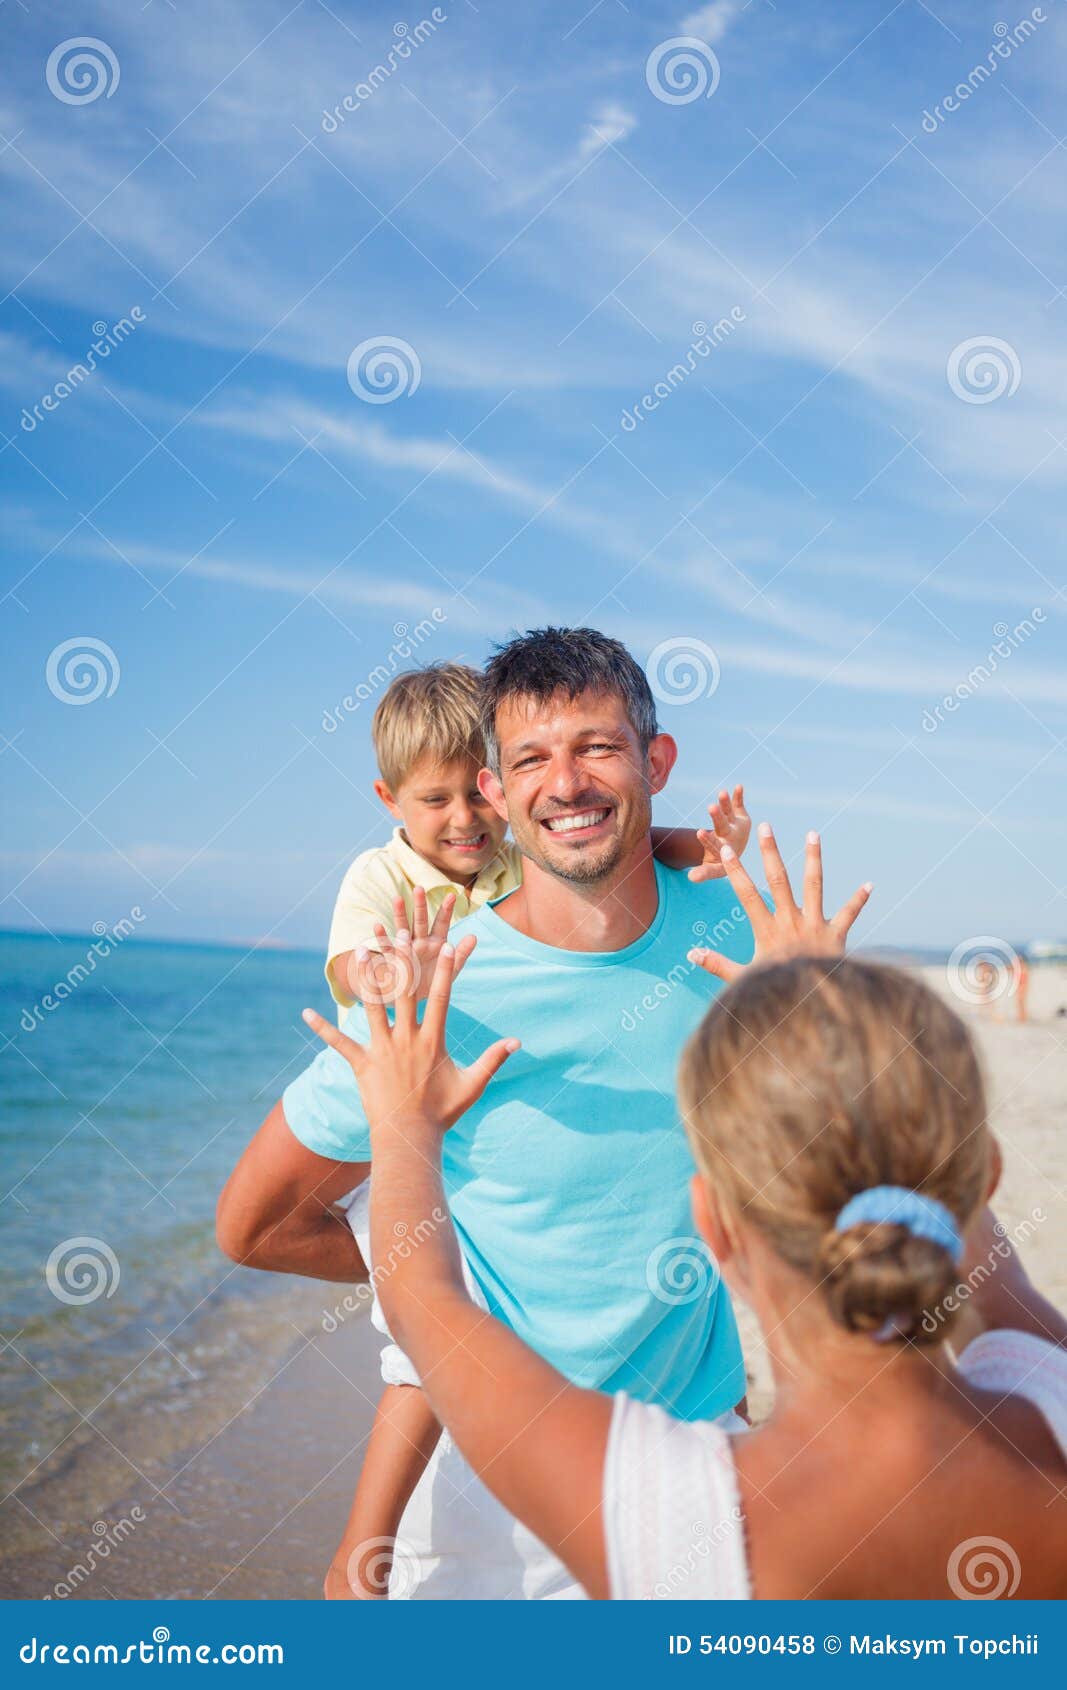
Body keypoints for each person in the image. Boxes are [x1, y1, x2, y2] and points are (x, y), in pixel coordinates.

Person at [304, 825, 1067, 1601]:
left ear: (712, 1225)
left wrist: (403, 1123)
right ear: (982, 1177)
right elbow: (955, 1198)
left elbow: (422, 1300)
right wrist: (840, 1039)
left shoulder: (677, 1528)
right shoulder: (1051, 1412)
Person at [217, 629, 761, 1600]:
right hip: (485, 1505)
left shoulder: (737, 929)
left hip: (698, 1457)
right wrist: (433, 1248)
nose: (566, 782)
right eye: (529, 760)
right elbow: (254, 1223)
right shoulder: (433, 991)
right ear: (498, 789)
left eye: (595, 746)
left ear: (655, 759)